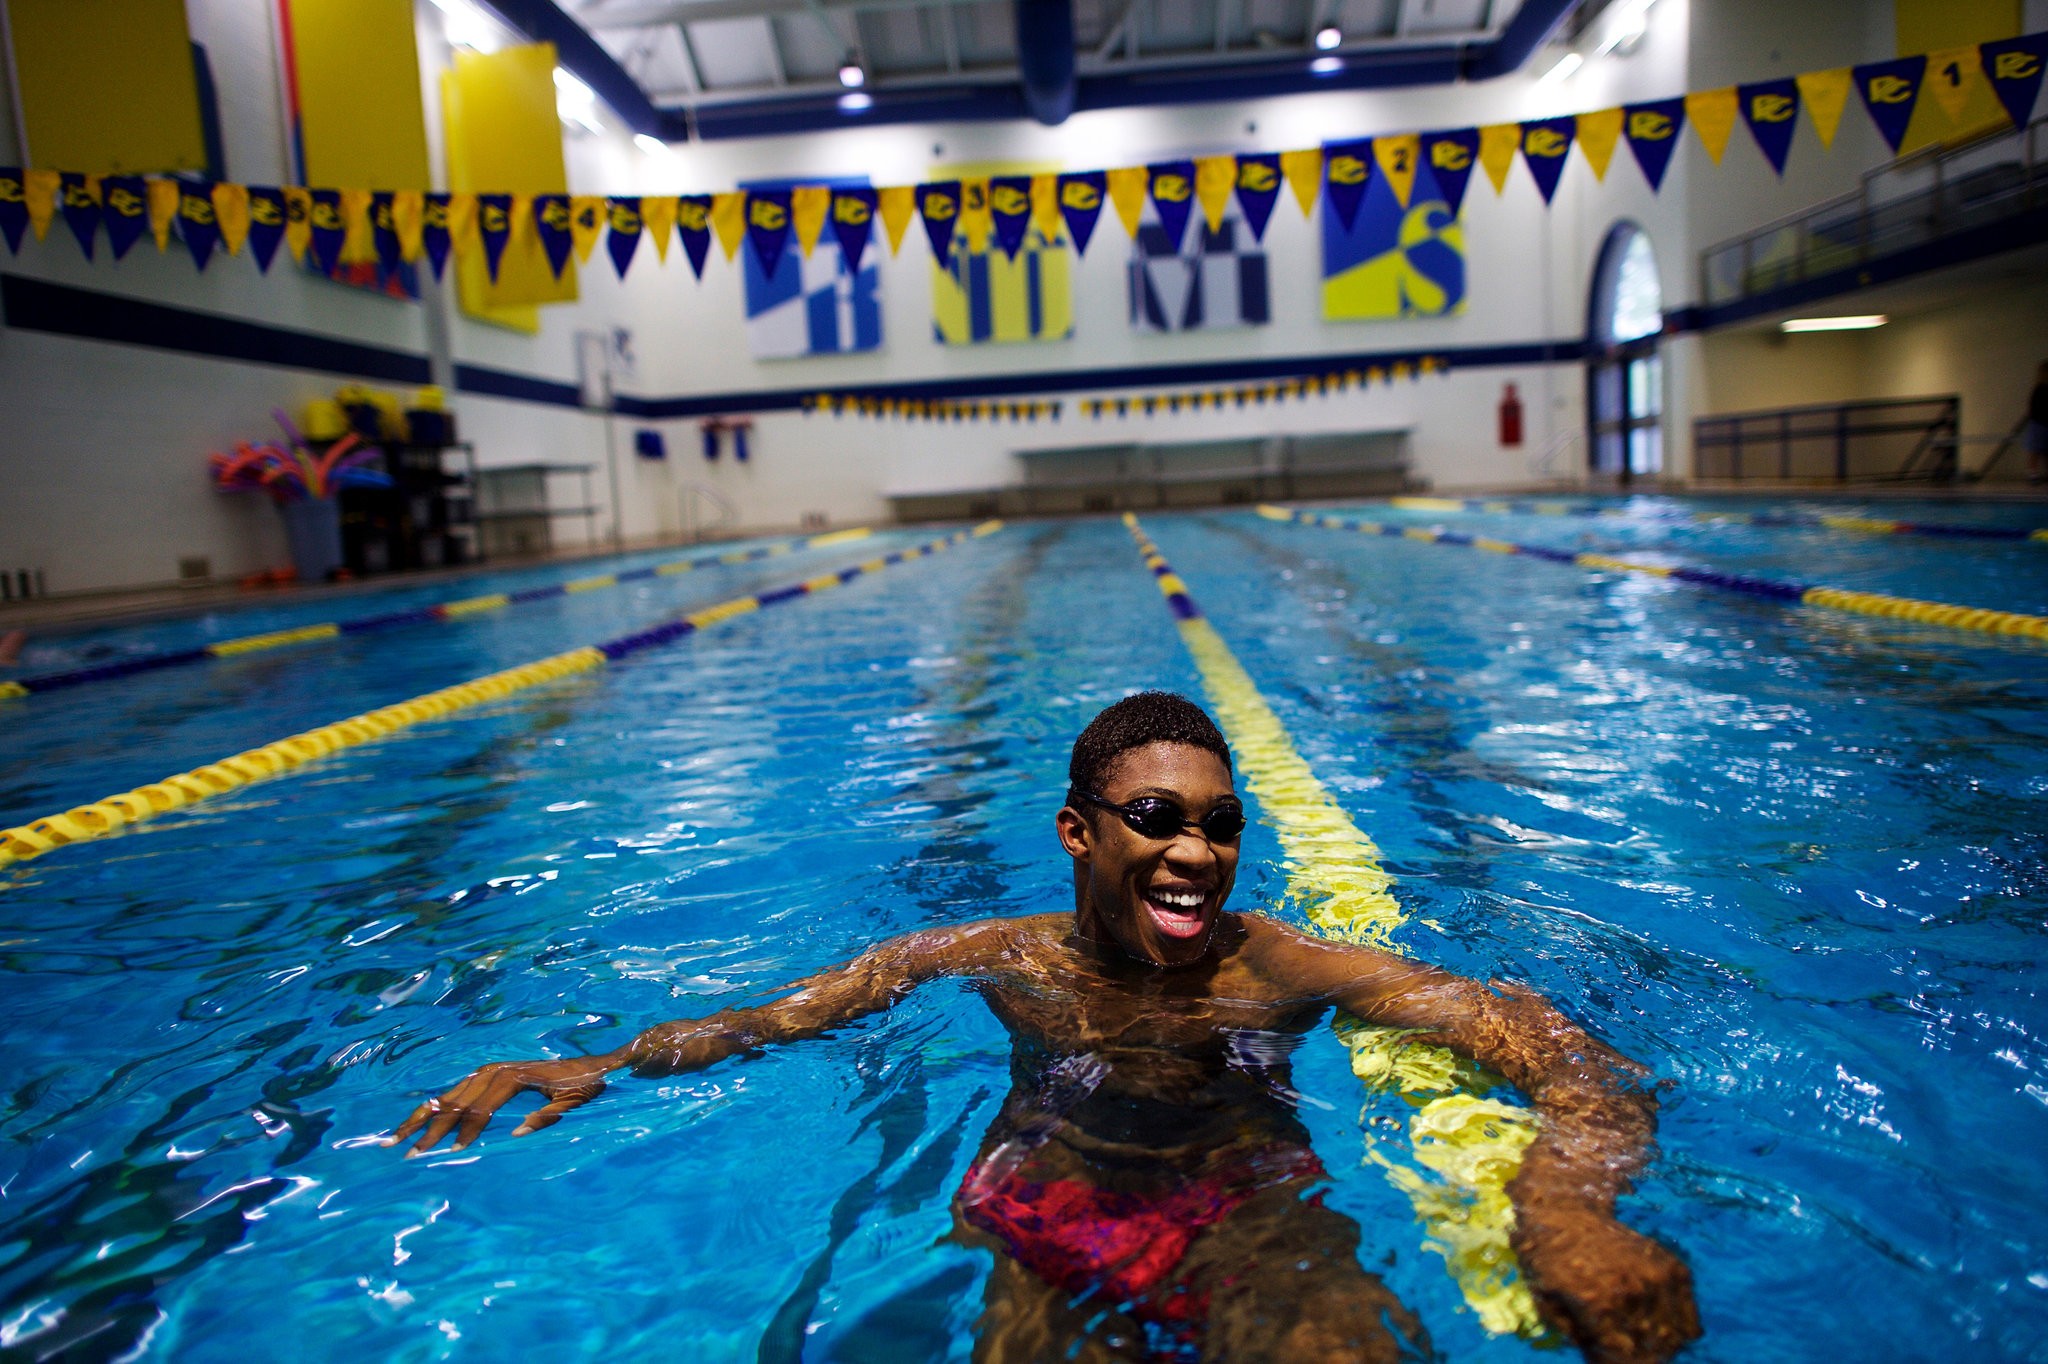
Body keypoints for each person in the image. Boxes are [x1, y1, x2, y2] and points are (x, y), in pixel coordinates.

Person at [389, 692, 1699, 1363]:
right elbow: (785, 1017)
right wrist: (602, 1063)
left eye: (1221, 825)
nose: (1197, 853)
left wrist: (1571, 1210)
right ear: (1079, 832)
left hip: (1256, 1226)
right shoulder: (990, 961)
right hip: (1046, 1217)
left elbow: (1561, 1053)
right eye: (1157, 820)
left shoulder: (1283, 968)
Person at [2026, 360, 2048, 484]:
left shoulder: (2041, 389)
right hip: (2039, 423)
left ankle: (2039, 473)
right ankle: (2032, 473)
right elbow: (2032, 407)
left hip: (2043, 422)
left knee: (2044, 450)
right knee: (2036, 450)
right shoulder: (2039, 389)